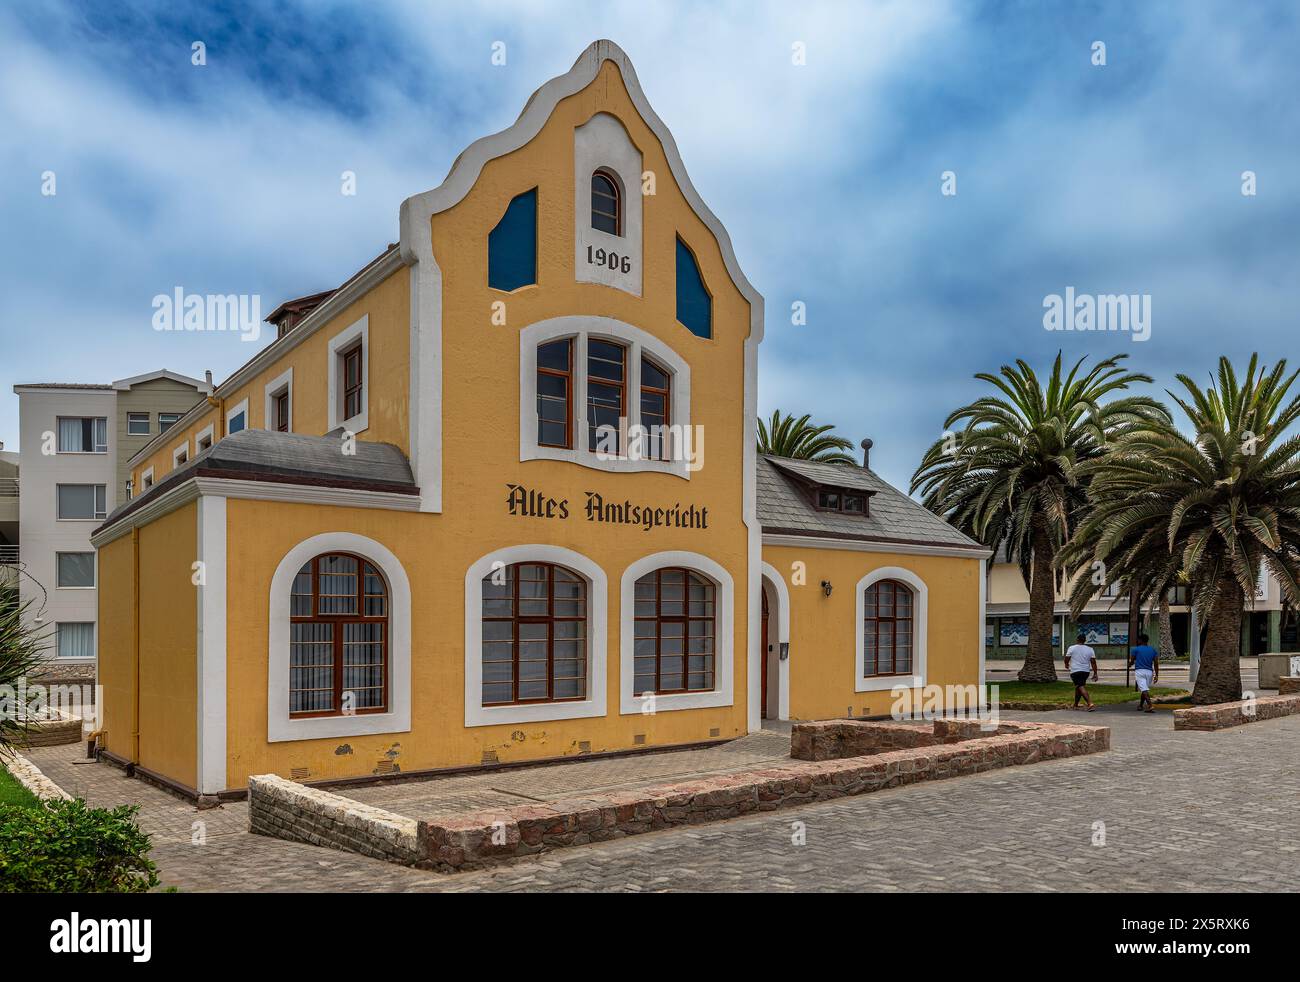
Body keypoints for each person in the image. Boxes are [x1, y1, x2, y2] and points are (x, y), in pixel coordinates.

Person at [1063, 632, 1099, 710]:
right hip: (1085, 671)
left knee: (1080, 686)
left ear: (1077, 639)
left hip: (1075, 671)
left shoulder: (1072, 648)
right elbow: (1093, 662)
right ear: (1085, 640)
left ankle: (1090, 703)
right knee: (1078, 686)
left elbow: (1067, 658)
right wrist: (1095, 673)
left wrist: (1066, 664)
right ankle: (1075, 704)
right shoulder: (1090, 649)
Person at [1129, 632, 1160, 713]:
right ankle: (1141, 705)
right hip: (1149, 672)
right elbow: (1156, 663)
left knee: (1144, 689)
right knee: (1144, 688)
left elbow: (1132, 661)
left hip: (1139, 671)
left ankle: (1150, 705)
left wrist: (1129, 665)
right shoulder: (1153, 650)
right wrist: (1156, 675)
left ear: (1140, 640)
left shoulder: (1135, 649)